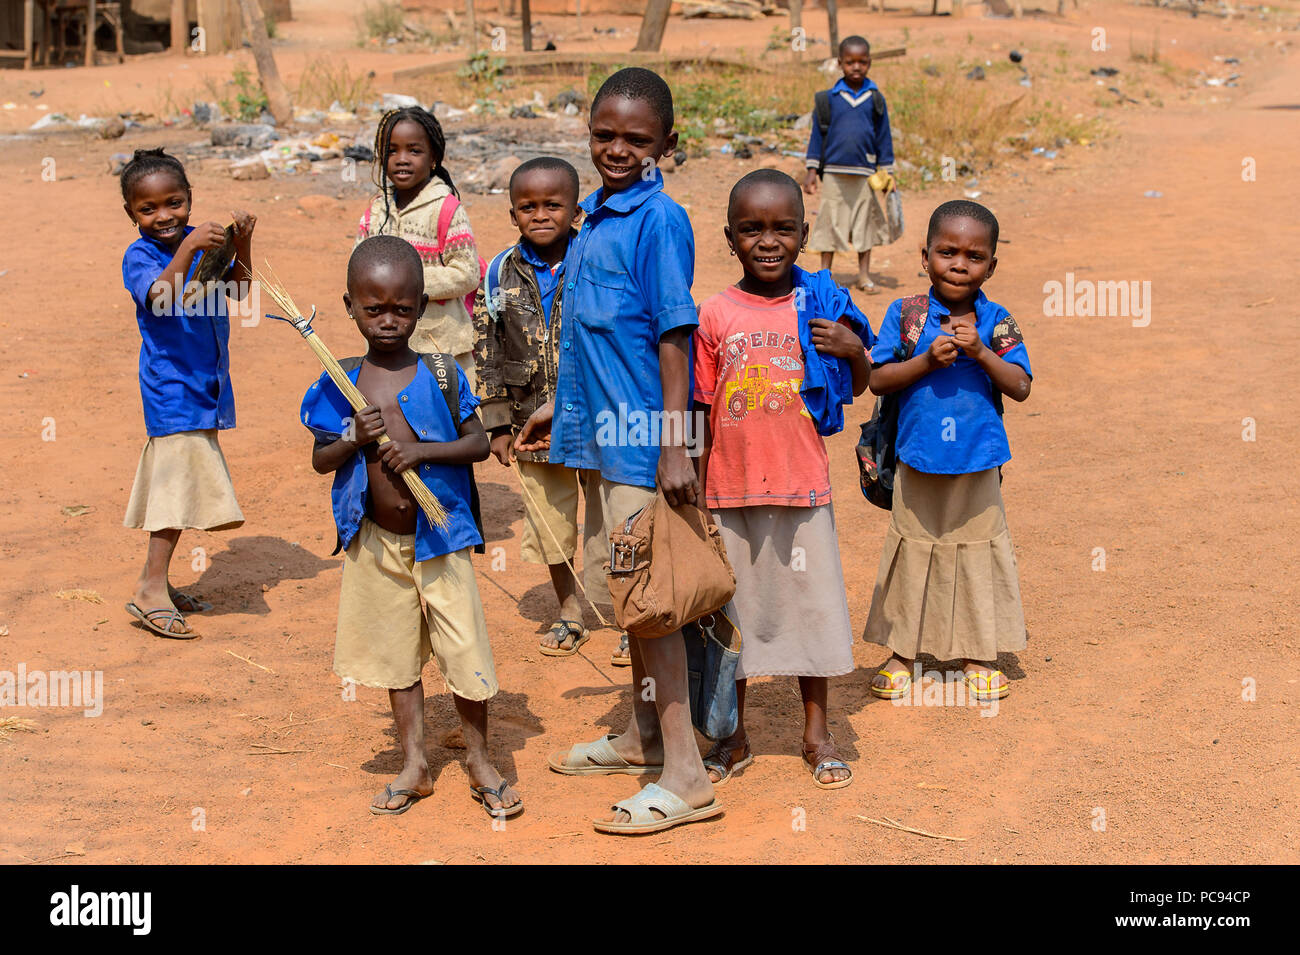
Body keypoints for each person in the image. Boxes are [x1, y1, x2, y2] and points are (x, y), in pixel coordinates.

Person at [515, 67, 720, 835]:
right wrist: (554, 408)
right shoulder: (596, 215)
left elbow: (673, 334)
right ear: (587, 128)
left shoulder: (658, 220)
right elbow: (596, 335)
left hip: (643, 447)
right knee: (632, 605)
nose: (618, 149)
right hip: (601, 436)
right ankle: (639, 736)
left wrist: (675, 444)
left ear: (667, 142)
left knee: (657, 609)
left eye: (638, 138)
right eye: (605, 134)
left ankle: (687, 774)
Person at [301, 235, 521, 819]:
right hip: (374, 542)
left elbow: (476, 444)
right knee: (397, 656)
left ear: (422, 307)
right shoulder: (340, 380)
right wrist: (352, 436)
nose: (389, 320)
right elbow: (321, 458)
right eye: (374, 309)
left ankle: (479, 759)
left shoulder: (442, 373)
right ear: (349, 307)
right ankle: (415, 763)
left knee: (464, 649)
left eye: (402, 308)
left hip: (441, 536)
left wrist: (421, 453)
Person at [694, 169, 873, 790]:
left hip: (802, 489)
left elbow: (863, 381)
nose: (767, 242)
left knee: (813, 611)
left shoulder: (820, 305)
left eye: (782, 229)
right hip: (729, 490)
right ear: (730, 236)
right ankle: (733, 736)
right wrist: (691, 485)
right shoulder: (714, 314)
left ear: (803, 233)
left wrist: (853, 348)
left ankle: (817, 734)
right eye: (752, 229)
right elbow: (698, 407)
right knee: (734, 617)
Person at [865, 200, 1032, 703]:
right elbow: (876, 379)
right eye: (947, 252)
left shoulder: (997, 321)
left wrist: (981, 351)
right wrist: (925, 362)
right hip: (917, 458)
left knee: (977, 553)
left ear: (992, 266)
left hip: (978, 460)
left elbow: (1021, 385)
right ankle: (902, 652)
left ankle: (978, 653)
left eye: (974, 256)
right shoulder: (908, 315)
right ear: (925, 256)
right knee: (913, 548)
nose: (959, 264)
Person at [471, 157, 607, 660]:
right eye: (528, 206)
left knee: (610, 517)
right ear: (512, 214)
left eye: (554, 205)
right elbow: (486, 348)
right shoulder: (498, 273)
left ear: (576, 210)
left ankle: (621, 613)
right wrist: (496, 423)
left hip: (594, 418)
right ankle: (571, 608)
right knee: (551, 521)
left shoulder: (594, 260)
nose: (541, 215)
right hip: (531, 424)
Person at [120, 148, 255, 638]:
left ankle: (160, 582)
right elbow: (161, 296)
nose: (163, 216)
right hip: (171, 388)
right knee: (175, 490)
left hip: (205, 388)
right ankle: (150, 587)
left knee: (177, 488)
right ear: (132, 214)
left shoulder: (203, 250)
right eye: (148, 209)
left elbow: (240, 292)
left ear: (190, 199)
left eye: (173, 203)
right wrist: (187, 248)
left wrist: (242, 243)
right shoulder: (140, 256)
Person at [356, 106, 482, 390]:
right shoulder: (376, 210)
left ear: (434, 157)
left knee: (446, 416)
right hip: (386, 346)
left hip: (441, 347)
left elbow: (466, 273)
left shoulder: (446, 209)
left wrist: (409, 284)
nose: (402, 160)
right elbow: (358, 267)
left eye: (414, 151)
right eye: (392, 151)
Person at [803, 34, 897, 295]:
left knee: (864, 224)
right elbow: (816, 137)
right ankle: (826, 276)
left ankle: (864, 276)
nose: (856, 67)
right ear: (840, 63)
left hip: (865, 173)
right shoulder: (828, 99)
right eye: (850, 62)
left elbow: (884, 137)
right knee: (830, 222)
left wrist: (887, 172)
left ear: (870, 62)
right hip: (833, 172)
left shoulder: (875, 98)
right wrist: (812, 170)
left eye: (862, 62)